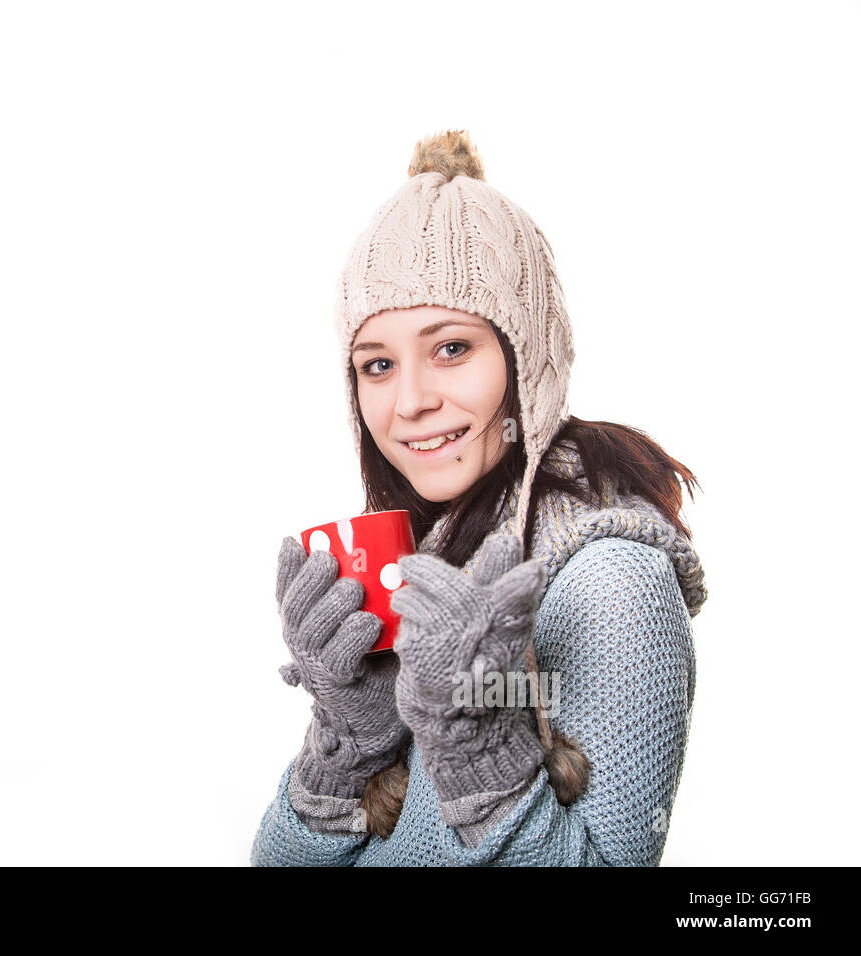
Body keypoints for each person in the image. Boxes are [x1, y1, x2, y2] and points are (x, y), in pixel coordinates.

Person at [250, 130, 709, 866]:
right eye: (377, 364)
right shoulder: (429, 565)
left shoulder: (611, 586)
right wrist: (348, 737)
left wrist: (480, 750)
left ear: (526, 355)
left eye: (452, 348)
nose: (409, 402)